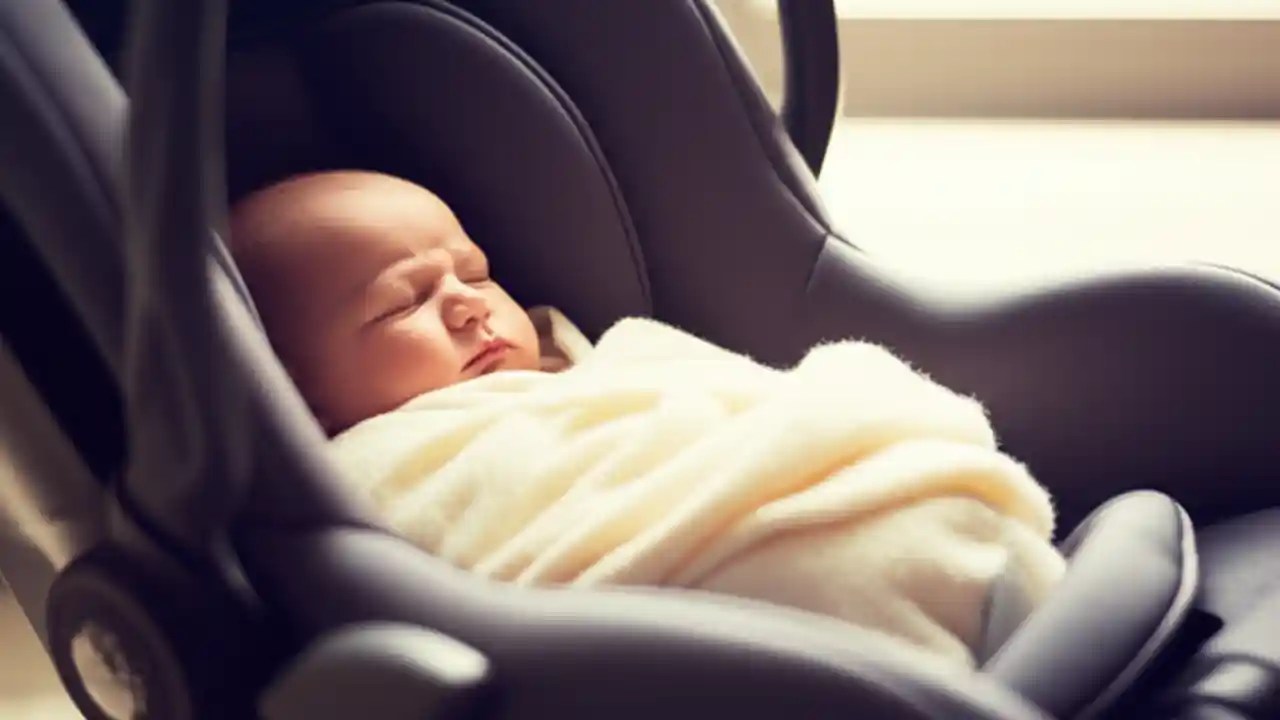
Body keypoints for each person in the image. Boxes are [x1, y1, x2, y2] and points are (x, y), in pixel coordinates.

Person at [230, 169, 1065, 671]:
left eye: (476, 276)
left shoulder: (601, 374)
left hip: (909, 527)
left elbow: (732, 409)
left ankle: (950, 566)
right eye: (401, 303)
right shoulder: (376, 469)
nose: (465, 309)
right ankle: (940, 596)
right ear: (295, 392)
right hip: (773, 626)